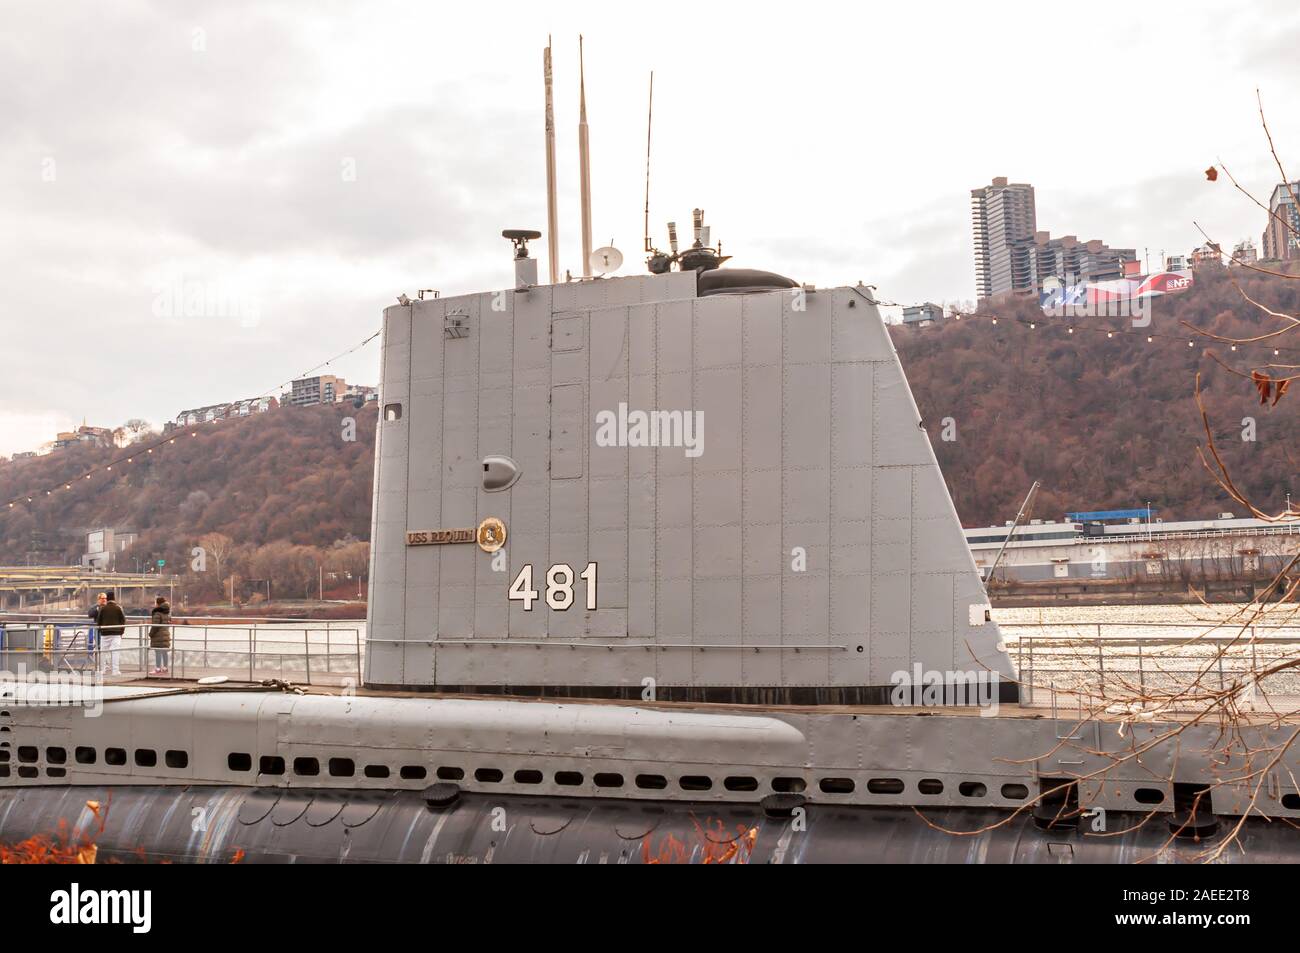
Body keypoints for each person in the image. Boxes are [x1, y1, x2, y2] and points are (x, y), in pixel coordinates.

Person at [96, 591, 126, 677]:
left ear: (107, 599)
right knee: (115, 652)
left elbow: (99, 621)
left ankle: (102, 670)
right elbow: (123, 620)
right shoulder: (118, 608)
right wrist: (121, 632)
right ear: (114, 598)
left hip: (105, 633)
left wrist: (101, 630)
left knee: (103, 652)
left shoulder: (103, 609)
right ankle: (115, 671)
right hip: (116, 633)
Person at [148, 596, 171, 676]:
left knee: (158, 651)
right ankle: (165, 668)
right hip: (165, 634)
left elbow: (155, 626)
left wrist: (150, 634)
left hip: (158, 635)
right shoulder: (167, 612)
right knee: (164, 651)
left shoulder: (157, 613)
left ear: (158, 603)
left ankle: (157, 669)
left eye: (155, 602)